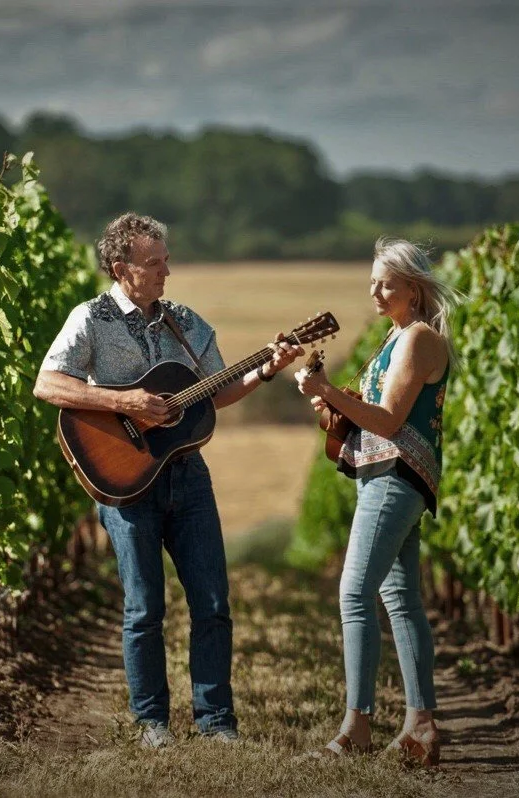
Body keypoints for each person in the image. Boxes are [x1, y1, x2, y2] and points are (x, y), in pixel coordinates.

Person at [33, 212, 303, 748]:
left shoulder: (187, 321)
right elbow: (47, 383)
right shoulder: (90, 319)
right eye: (154, 263)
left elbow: (216, 391)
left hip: (188, 477)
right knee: (144, 609)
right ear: (120, 267)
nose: (165, 272)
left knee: (213, 602)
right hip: (125, 482)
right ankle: (152, 722)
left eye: (166, 260)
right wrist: (121, 400)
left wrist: (266, 368)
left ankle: (216, 721)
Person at [294, 237, 460, 766]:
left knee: (353, 593)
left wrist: (328, 388)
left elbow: (388, 421)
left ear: (413, 288)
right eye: (371, 282)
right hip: (390, 476)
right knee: (400, 598)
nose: (375, 291)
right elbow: (374, 413)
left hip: (395, 478)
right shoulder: (396, 338)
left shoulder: (417, 339)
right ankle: (421, 727)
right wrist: (328, 396)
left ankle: (356, 728)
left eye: (385, 283)